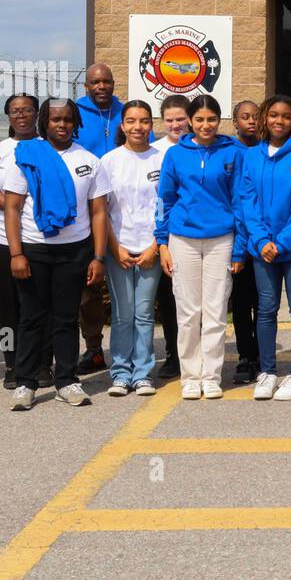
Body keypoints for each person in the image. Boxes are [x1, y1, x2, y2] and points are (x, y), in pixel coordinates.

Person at [2, 98, 110, 411]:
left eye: (67, 119)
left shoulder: (89, 160)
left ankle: (66, 380)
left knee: (65, 318)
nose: (61, 125)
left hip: (74, 251)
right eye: (54, 119)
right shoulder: (27, 156)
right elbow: (11, 207)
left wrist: (98, 257)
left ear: (76, 122)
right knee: (32, 319)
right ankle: (26, 382)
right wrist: (16, 254)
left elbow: (99, 211)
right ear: (44, 123)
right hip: (34, 250)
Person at [156, 95, 246, 400]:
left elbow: (240, 202)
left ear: (219, 120)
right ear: (190, 122)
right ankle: (191, 376)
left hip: (222, 239)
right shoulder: (175, 154)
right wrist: (162, 243)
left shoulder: (233, 151)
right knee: (188, 311)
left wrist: (239, 249)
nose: (205, 125)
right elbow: (164, 200)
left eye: (211, 119)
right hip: (183, 239)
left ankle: (211, 375)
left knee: (216, 310)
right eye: (199, 120)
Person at [241, 95, 291, 402]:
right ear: (264, 119)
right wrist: (262, 241)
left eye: (285, 116)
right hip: (263, 249)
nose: (279, 121)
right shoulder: (252, 156)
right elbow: (247, 201)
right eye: (273, 115)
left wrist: (284, 241)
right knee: (266, 310)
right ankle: (267, 372)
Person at [0, 93, 53, 389]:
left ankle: (44, 363)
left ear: (36, 114)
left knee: (41, 305)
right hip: (1, 241)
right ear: (8, 116)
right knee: (8, 308)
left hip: (40, 240)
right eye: (15, 111)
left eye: (27, 110)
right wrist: (18, 207)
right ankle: (12, 364)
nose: (21, 116)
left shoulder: (49, 148)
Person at [100, 101, 164, 396]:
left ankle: (142, 373)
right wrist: (115, 248)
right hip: (119, 249)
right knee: (122, 314)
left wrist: (155, 246)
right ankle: (120, 373)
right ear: (122, 126)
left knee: (144, 313)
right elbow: (101, 210)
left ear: (152, 124)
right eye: (131, 121)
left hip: (151, 247)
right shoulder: (109, 161)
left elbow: (167, 208)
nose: (138, 127)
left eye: (144, 121)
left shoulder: (163, 159)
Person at [73, 63, 123, 375]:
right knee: (90, 284)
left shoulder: (126, 110)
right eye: (95, 82)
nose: (101, 86)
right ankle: (93, 348)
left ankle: (126, 347)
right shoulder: (75, 113)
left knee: (124, 283)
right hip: (88, 211)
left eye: (106, 81)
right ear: (87, 86)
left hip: (124, 210)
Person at [151, 95, 191, 377]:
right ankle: (173, 354)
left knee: (193, 299)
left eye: (180, 119)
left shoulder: (200, 146)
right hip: (164, 233)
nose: (175, 125)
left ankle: (195, 353)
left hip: (194, 233)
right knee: (168, 298)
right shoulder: (154, 151)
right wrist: (160, 238)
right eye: (170, 120)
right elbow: (159, 200)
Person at [229, 99, 261, 384]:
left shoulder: (269, 151)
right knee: (240, 303)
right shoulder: (229, 150)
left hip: (265, 239)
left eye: (255, 116)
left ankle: (263, 356)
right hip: (238, 239)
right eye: (245, 117)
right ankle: (245, 356)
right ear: (235, 122)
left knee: (265, 302)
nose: (250, 121)